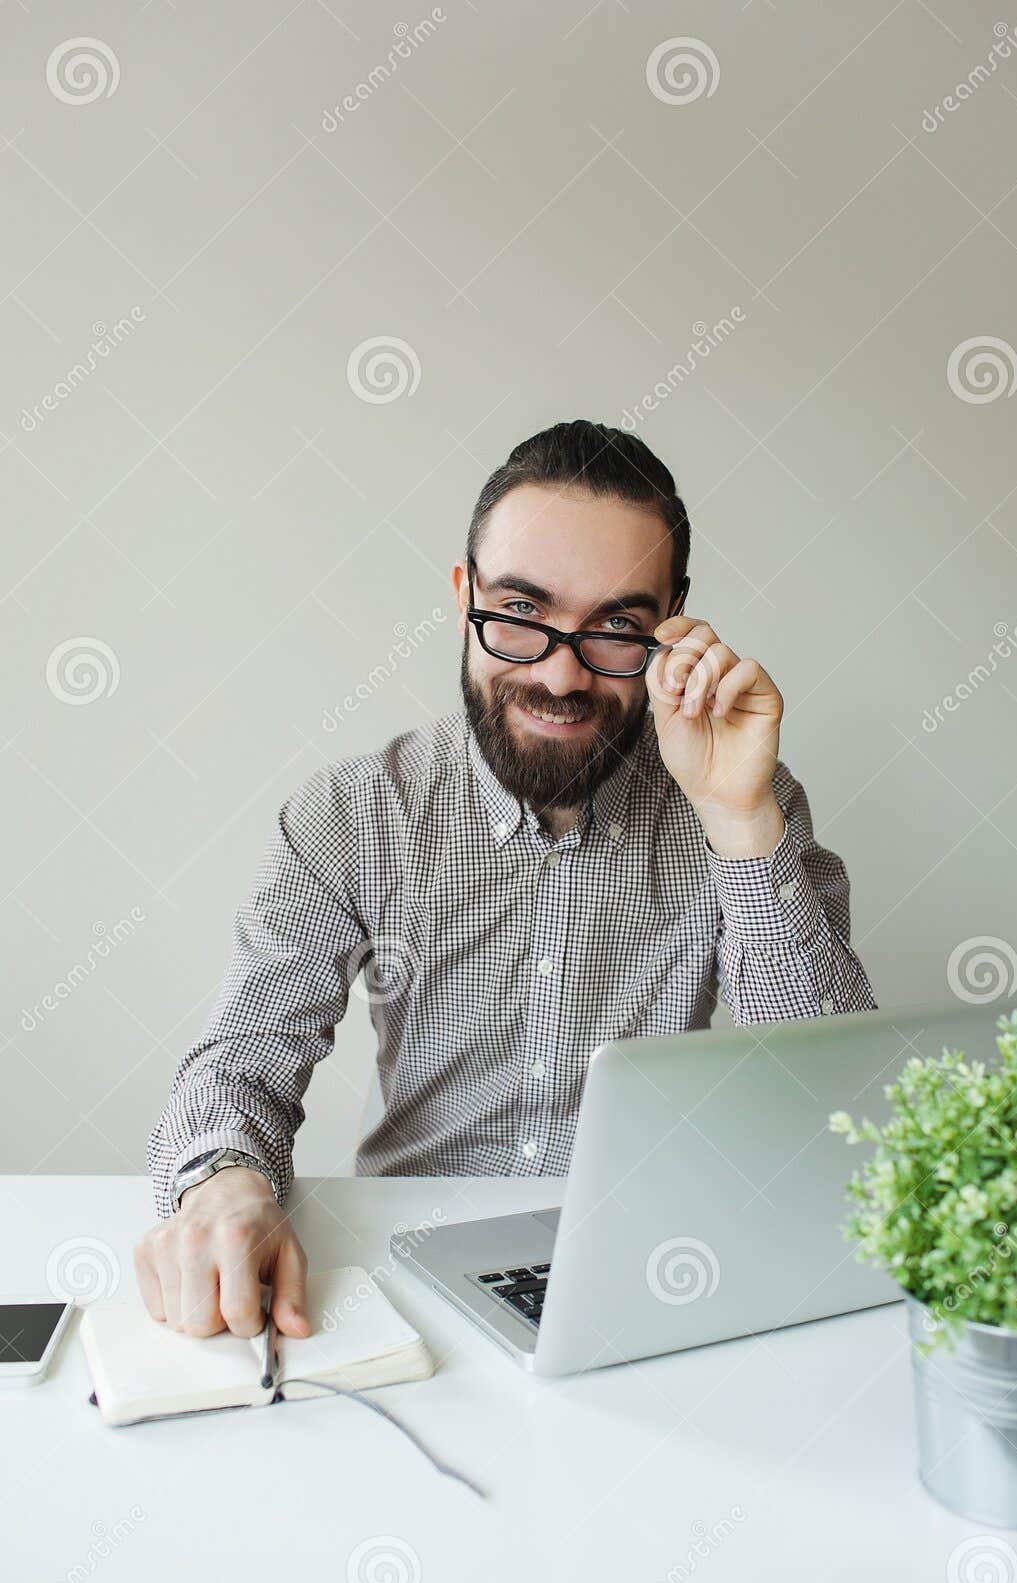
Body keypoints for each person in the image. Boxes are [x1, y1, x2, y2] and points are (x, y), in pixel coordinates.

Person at [136, 419, 876, 1339]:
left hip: (659, 1270)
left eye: (615, 627)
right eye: (522, 614)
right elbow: (239, 1063)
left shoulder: (740, 797)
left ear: (671, 627)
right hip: (406, 1278)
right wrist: (225, 1187)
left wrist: (736, 822)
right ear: (464, 596)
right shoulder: (355, 814)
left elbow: (837, 1118)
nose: (562, 676)